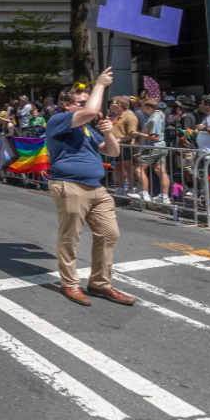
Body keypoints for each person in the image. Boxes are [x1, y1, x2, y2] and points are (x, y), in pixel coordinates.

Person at [46, 68, 133, 307]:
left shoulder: (87, 128)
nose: (85, 106)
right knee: (70, 236)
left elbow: (112, 151)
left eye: (86, 102)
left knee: (109, 233)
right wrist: (100, 85)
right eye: (80, 102)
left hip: (96, 188)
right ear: (66, 105)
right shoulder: (58, 121)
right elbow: (92, 110)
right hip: (69, 185)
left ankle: (100, 283)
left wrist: (108, 133)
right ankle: (70, 282)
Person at [131, 97, 170, 203]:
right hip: (160, 147)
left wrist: (138, 134)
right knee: (160, 171)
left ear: (148, 107)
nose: (140, 108)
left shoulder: (154, 119)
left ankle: (144, 193)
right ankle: (164, 196)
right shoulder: (160, 114)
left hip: (153, 147)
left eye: (142, 106)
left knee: (139, 169)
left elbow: (154, 137)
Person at [109, 96, 139, 195]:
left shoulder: (130, 117)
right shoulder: (117, 116)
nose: (111, 104)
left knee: (128, 168)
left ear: (119, 105)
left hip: (126, 146)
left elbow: (132, 134)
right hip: (116, 147)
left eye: (113, 102)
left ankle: (131, 188)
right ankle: (121, 187)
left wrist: (119, 140)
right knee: (117, 167)